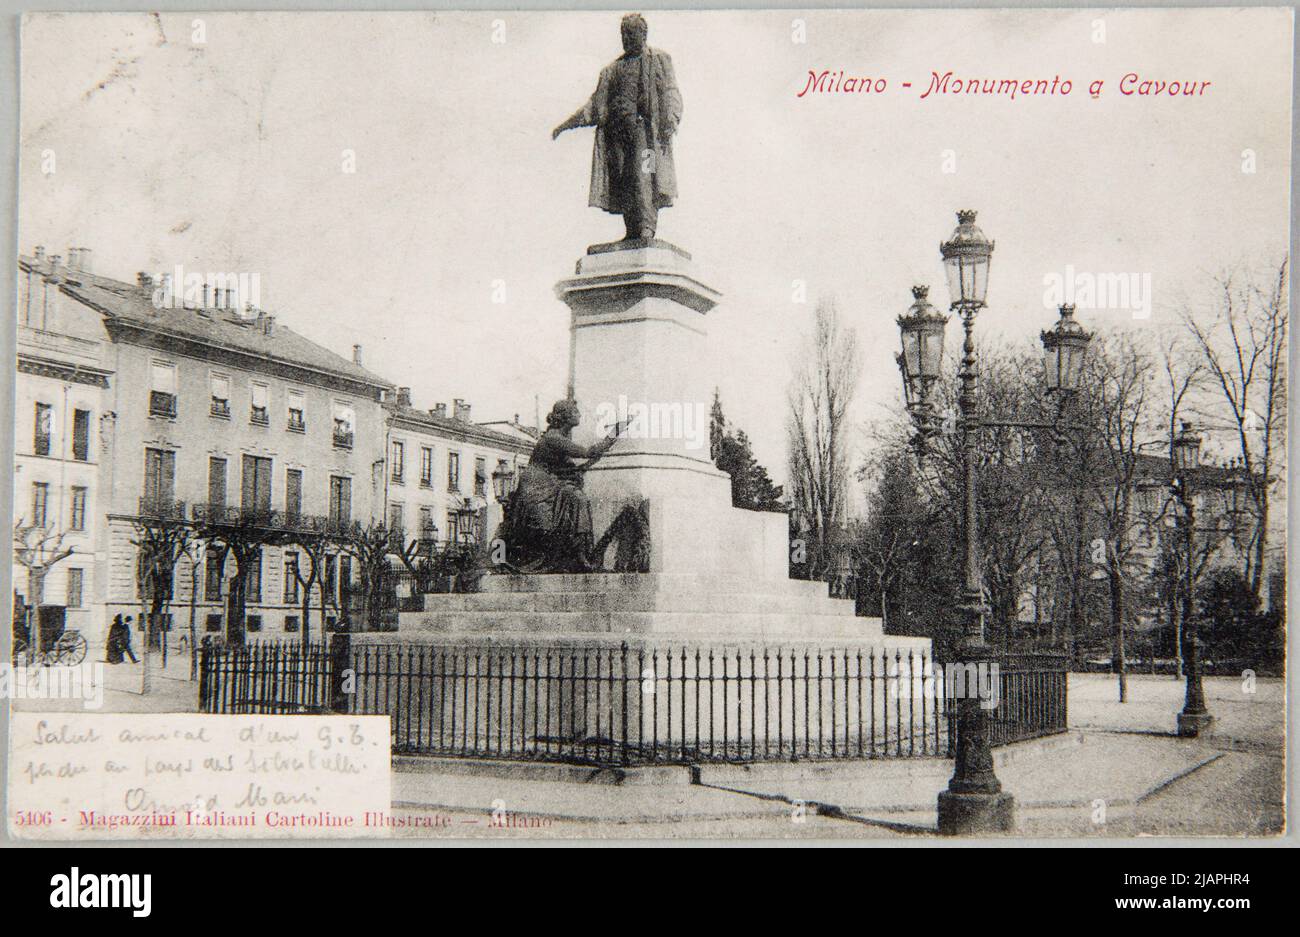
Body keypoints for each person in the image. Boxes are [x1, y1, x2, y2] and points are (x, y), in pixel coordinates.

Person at [552, 14, 682, 240]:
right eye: (623, 34)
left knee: (645, 177)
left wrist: (671, 116)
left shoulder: (658, 59)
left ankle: (646, 228)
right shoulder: (611, 70)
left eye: (631, 33)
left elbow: (671, 91)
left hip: (647, 136)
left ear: (643, 34)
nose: (626, 38)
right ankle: (632, 230)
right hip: (618, 138)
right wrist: (566, 125)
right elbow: (593, 106)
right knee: (624, 182)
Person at [500, 399, 617, 572]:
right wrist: (616, 432)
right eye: (575, 412)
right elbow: (587, 452)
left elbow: (569, 467)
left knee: (578, 499)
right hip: (536, 485)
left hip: (550, 483)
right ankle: (577, 556)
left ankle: (580, 555)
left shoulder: (559, 438)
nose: (579, 414)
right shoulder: (554, 438)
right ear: (564, 417)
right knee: (569, 504)